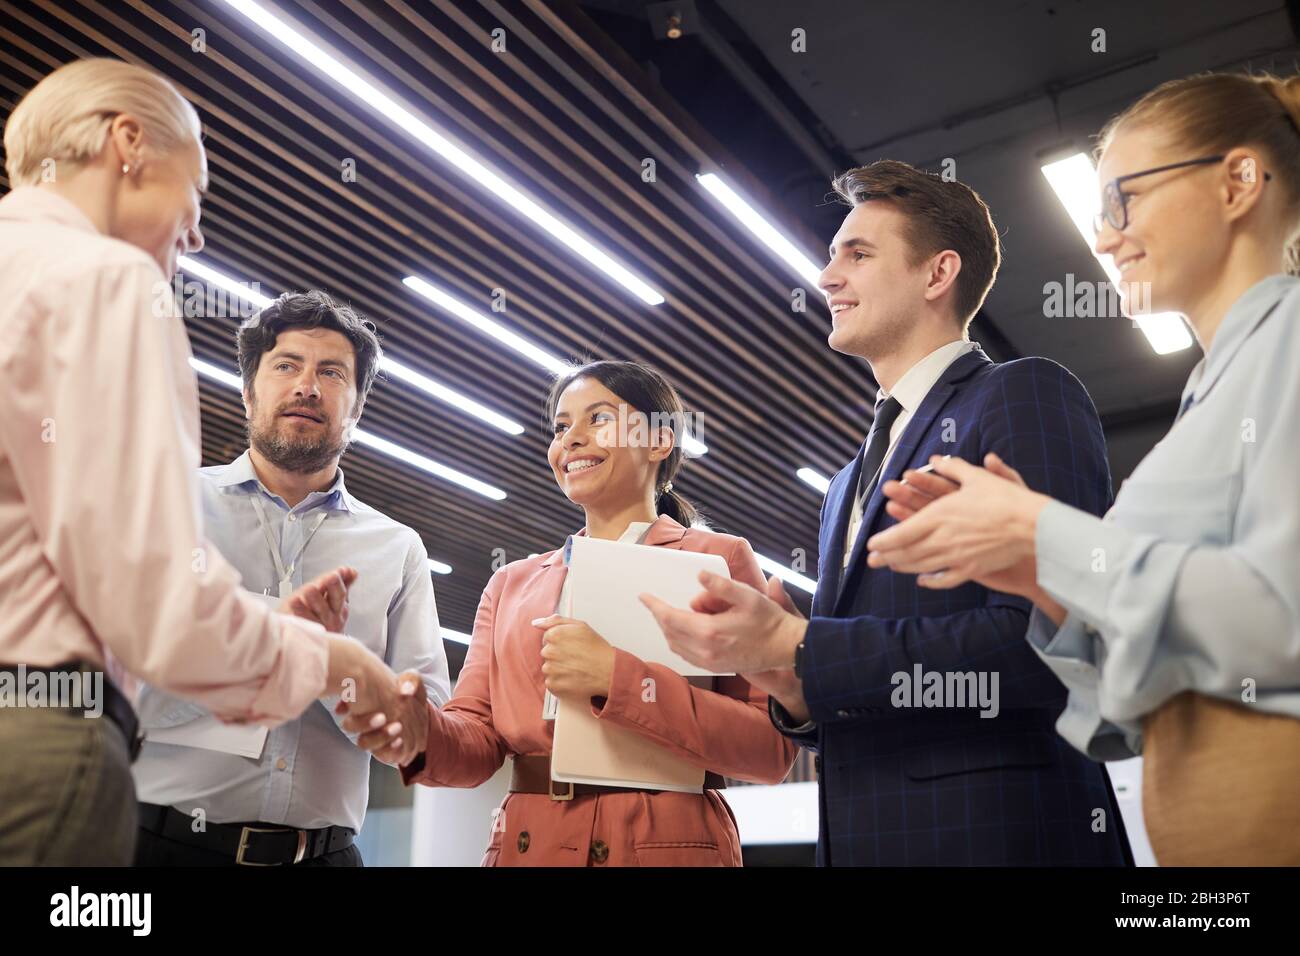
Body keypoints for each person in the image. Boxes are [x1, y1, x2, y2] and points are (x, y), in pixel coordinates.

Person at [865, 71, 1300, 866]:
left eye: (1123, 201)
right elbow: (1132, 705)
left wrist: (1047, 531)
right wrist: (1040, 576)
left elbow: (1283, 620)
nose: (1103, 238)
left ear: (1240, 180)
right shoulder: (1210, 399)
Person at [643, 161, 1131, 866]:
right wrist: (792, 686)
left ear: (938, 274)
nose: (827, 276)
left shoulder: (1022, 394)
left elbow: (1054, 642)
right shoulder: (845, 484)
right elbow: (854, 695)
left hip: (999, 839)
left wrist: (804, 649)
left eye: (858, 254)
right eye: (833, 254)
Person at [0, 58, 406, 866]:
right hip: (35, 738)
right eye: (198, 188)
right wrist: (330, 656)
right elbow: (159, 605)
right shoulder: (107, 279)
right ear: (127, 142)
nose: (194, 233)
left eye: (333, 374)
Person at [361, 360, 796, 866]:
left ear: (659, 442)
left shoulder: (717, 561)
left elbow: (770, 749)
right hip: (530, 845)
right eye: (562, 426)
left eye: (598, 419)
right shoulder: (511, 584)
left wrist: (618, 679)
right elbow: (477, 741)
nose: (571, 439)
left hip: (667, 845)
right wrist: (419, 733)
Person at [132, 291, 452, 866]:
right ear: (249, 390)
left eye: (332, 373)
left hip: (325, 858)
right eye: (286, 366)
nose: (308, 386)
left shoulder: (397, 548)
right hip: (162, 848)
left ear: (357, 407)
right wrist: (276, 645)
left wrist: (334, 671)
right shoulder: (168, 503)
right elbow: (110, 670)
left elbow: (419, 726)